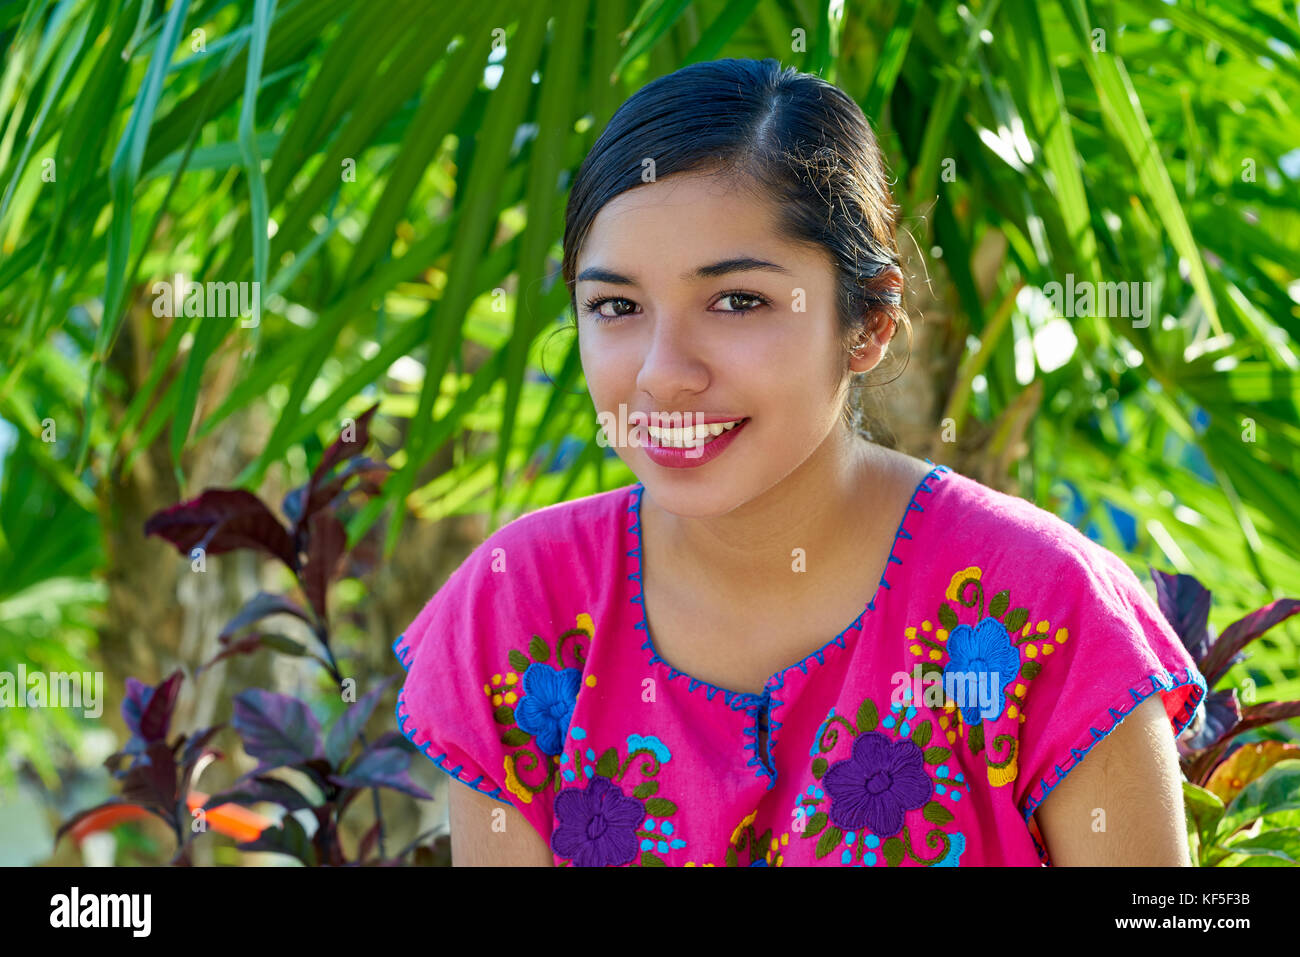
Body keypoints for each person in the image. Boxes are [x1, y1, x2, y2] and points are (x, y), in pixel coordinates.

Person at [393, 57, 1207, 866]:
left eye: (737, 301)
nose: (660, 372)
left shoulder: (1046, 608)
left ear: (871, 320)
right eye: (617, 306)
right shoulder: (518, 608)